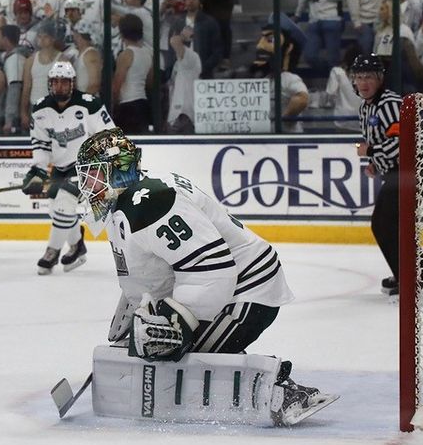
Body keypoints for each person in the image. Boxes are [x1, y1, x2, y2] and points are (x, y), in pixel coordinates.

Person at [74, 128, 337, 426]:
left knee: (178, 361)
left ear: (116, 170)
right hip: (228, 283)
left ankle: (279, 391)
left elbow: (212, 268)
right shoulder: (129, 202)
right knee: (158, 351)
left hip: (247, 286)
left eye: (92, 173)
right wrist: (138, 312)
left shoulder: (149, 202)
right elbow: (155, 272)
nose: (86, 184)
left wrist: (175, 327)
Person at [350, 55, 423, 296]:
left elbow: (401, 143)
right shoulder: (365, 107)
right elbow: (384, 142)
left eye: (369, 77)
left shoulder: (391, 103)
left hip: (411, 170)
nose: (363, 83)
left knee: (384, 223)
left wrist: (371, 152)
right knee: (395, 224)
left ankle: (409, 278)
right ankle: (420, 277)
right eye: (359, 77)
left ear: (380, 79)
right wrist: (375, 162)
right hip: (397, 172)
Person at [22, 61, 113, 275]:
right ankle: (77, 246)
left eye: (65, 82)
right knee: (56, 210)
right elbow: (41, 144)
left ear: (72, 83)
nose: (60, 86)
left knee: (64, 206)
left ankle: (51, 252)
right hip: (61, 167)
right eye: (55, 82)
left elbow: (109, 136)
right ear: (49, 84)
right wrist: (39, 169)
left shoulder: (89, 105)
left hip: (87, 166)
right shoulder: (41, 109)